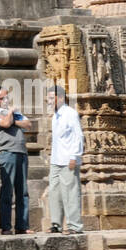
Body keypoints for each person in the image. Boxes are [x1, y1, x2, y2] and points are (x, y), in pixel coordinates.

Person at [0, 85, 32, 234]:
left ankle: (22, 226)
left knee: (23, 191)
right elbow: (4, 124)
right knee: (7, 190)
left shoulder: (14, 113)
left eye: (6, 97)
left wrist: (12, 119)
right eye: (2, 98)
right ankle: (5, 226)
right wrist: (11, 113)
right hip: (7, 153)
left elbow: (28, 124)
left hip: (21, 152)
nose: (5, 100)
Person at [46, 85, 84, 234]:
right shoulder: (55, 115)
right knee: (54, 192)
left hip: (68, 159)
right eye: (48, 98)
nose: (48, 101)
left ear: (60, 98)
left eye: (51, 98)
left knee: (70, 193)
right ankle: (56, 224)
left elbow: (78, 135)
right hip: (56, 160)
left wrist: (74, 156)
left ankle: (74, 225)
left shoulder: (70, 113)